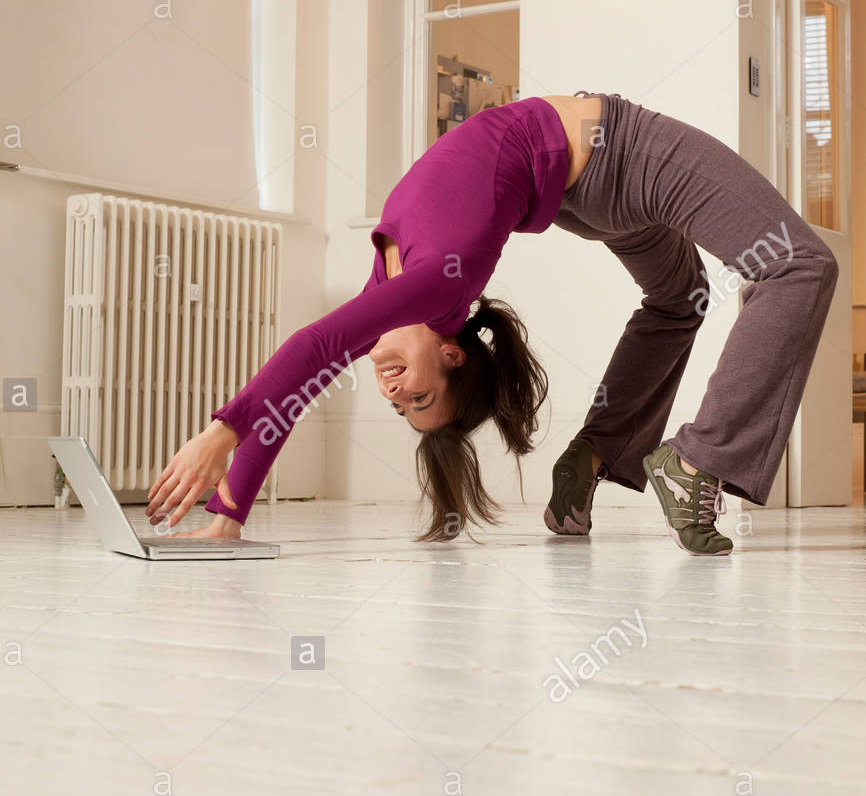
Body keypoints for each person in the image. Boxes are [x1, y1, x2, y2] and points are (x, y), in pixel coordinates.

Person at [145, 91, 839, 556]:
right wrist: (224, 438)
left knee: (676, 297)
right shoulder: (440, 277)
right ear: (451, 355)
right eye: (420, 398)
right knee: (799, 264)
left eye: (403, 404)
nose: (393, 391)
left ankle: (593, 454)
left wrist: (229, 510)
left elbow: (309, 365)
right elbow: (312, 351)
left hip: (585, 191)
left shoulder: (400, 290)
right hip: (613, 150)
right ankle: (701, 461)